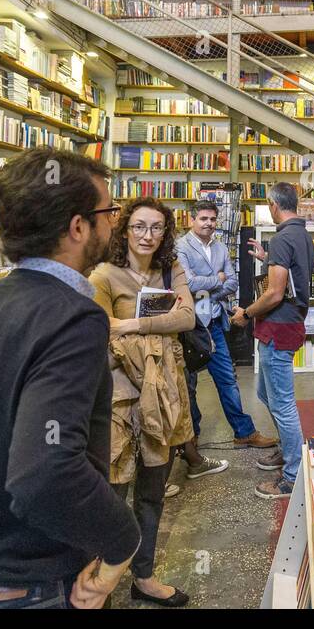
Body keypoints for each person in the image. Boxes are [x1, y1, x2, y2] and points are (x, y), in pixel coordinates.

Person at [0, 148, 137, 609]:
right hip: (23, 587)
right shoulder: (72, 318)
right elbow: (46, 469)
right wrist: (122, 541)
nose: (114, 223)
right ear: (78, 227)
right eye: (108, 212)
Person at [91, 197, 223, 607]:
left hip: (164, 395)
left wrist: (131, 324)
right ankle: (99, 583)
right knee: (114, 493)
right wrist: (152, 328)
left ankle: (143, 576)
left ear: (166, 233)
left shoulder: (171, 269)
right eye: (139, 227)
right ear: (124, 229)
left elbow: (186, 319)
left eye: (157, 228)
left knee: (152, 490)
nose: (148, 236)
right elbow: (98, 335)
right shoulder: (104, 276)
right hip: (119, 401)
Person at [230, 182, 314, 499]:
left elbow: (275, 293)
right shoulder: (302, 236)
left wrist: (246, 314)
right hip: (290, 324)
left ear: (272, 205)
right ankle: (285, 451)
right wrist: (269, 258)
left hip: (277, 327)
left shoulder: (282, 237)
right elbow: (293, 278)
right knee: (267, 393)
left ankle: (292, 476)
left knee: (282, 403)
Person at [176, 199, 278, 450]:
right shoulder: (181, 247)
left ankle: (244, 432)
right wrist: (216, 279)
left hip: (214, 323)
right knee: (188, 385)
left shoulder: (220, 248)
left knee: (227, 380)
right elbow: (187, 284)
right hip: (189, 325)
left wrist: (210, 283)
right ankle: (191, 436)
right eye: (203, 219)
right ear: (192, 219)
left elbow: (232, 282)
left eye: (212, 219)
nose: (209, 224)